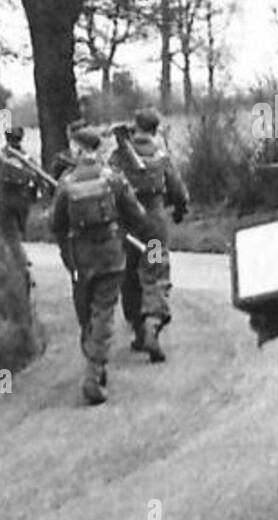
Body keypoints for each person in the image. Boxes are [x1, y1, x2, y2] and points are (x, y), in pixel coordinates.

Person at [50, 123, 150, 404]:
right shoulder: (113, 179)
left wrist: (67, 254)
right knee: (103, 313)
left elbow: (54, 223)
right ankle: (94, 372)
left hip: (80, 260)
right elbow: (139, 215)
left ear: (78, 149)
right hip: (110, 256)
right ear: (97, 149)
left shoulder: (66, 183)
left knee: (86, 313)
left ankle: (93, 358)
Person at [110, 108, 190, 363]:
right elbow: (178, 190)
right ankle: (152, 324)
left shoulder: (119, 156)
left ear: (136, 126)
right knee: (154, 272)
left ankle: (136, 329)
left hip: (127, 226)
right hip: (153, 227)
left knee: (129, 274)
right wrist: (179, 210)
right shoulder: (161, 156)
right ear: (155, 129)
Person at [0, 126, 46, 268]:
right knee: (19, 234)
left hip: (4, 202)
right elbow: (37, 181)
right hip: (23, 203)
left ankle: (20, 266)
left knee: (10, 236)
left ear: (6, 138)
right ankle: (20, 260)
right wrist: (32, 199)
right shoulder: (28, 159)